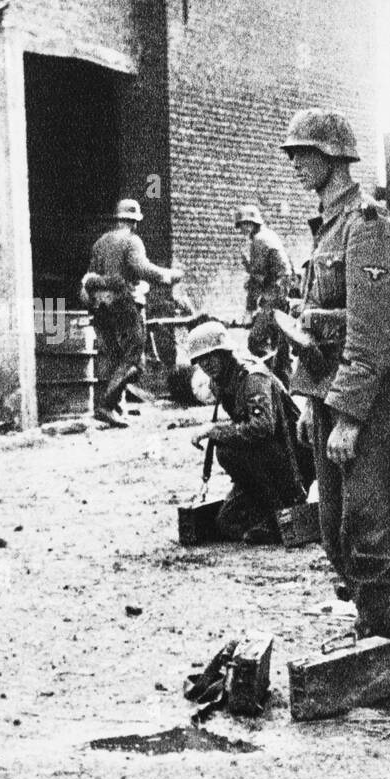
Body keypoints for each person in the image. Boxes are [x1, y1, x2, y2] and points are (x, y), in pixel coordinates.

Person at [278, 109, 390, 686]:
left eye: (305, 154)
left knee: (371, 529)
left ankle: (385, 663)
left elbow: (376, 331)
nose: (297, 163)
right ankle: (368, 634)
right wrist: (312, 405)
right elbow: (321, 328)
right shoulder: (326, 227)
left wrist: (350, 416)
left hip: (364, 403)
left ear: (332, 158)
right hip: (328, 398)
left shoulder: (367, 224)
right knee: (334, 530)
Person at [185, 320, 307, 543]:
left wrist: (215, 431)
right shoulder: (220, 382)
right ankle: (265, 507)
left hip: (293, 459)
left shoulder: (252, 378)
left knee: (227, 451)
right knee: (227, 522)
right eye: (200, 360)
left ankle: (281, 509)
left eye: (211, 355)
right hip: (268, 457)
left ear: (225, 352)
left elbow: (263, 427)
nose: (206, 364)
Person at [81, 198, 181, 427]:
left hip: (101, 307)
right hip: (124, 304)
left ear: (118, 220)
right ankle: (106, 406)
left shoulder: (100, 242)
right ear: (134, 222)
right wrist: (169, 274)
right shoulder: (132, 241)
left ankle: (117, 407)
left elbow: (90, 276)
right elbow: (141, 268)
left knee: (115, 357)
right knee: (135, 361)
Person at [235, 202, 293, 388]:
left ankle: (272, 379)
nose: (242, 229)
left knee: (256, 341)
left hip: (274, 295)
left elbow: (258, 277)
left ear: (252, 223)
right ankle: (284, 385)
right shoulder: (268, 235)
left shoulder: (260, 240)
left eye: (244, 224)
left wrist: (249, 308)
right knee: (280, 344)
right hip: (280, 293)